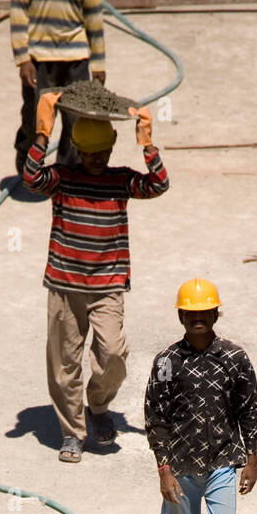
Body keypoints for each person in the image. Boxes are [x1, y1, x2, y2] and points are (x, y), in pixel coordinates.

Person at [23, 93, 169, 462]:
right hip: (64, 286)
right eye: (90, 155)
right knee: (63, 363)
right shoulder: (61, 178)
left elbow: (158, 184)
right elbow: (30, 178)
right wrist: (43, 132)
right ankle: (73, 431)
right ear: (76, 150)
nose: (96, 162)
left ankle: (98, 405)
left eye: (102, 155)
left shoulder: (120, 181)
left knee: (113, 355)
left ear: (110, 151)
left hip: (108, 287)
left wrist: (146, 142)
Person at [145, 278, 257, 514]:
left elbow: (249, 408)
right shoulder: (167, 361)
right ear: (181, 316)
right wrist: (163, 470)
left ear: (215, 313)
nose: (198, 318)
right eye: (191, 313)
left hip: (222, 462)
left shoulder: (235, 358)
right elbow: (156, 418)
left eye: (204, 312)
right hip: (179, 466)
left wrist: (251, 458)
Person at [10, 0, 106, 173]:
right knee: (36, 119)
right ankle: (27, 157)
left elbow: (93, 12)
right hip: (39, 58)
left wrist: (98, 62)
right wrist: (22, 58)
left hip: (76, 58)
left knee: (76, 122)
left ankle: (67, 174)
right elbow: (17, 9)